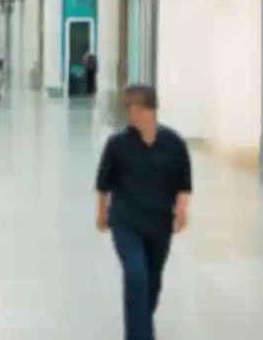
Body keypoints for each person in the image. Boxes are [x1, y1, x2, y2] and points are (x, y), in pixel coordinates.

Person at [95, 84, 192, 340]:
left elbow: (183, 183)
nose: (134, 115)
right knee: (136, 275)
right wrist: (102, 213)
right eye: (130, 110)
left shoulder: (174, 144)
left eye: (139, 109)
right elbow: (103, 184)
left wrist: (182, 209)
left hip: (159, 224)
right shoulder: (118, 144)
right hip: (126, 221)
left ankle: (140, 325)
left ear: (153, 109)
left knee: (152, 281)